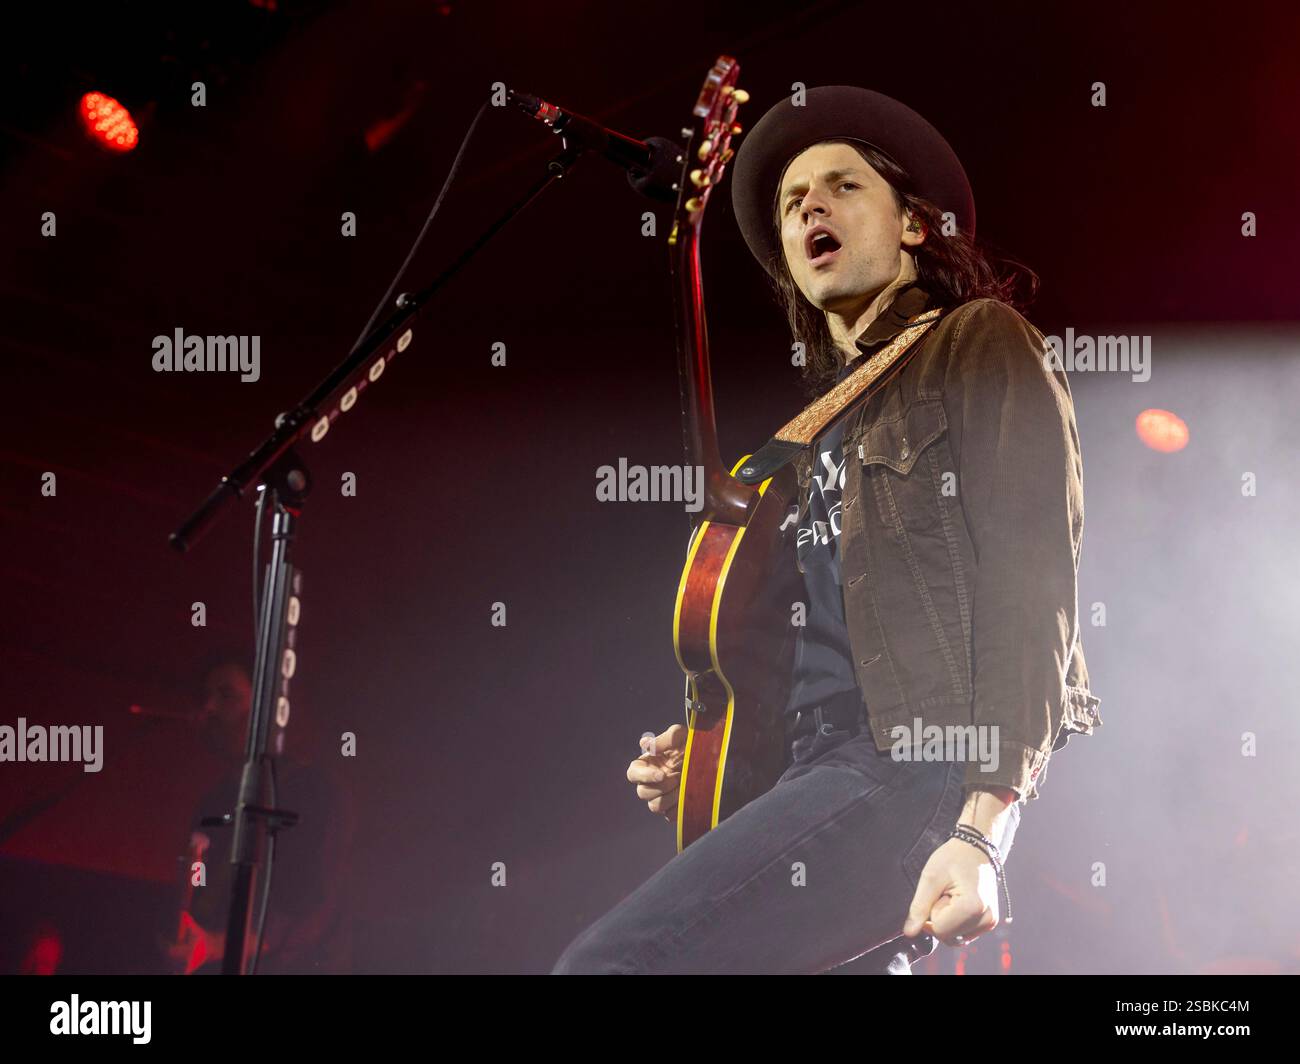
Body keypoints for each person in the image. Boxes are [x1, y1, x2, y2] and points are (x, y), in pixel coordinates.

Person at [553, 86, 1102, 974]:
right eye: (790, 201)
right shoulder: (812, 436)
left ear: (917, 226)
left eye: (842, 186)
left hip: (908, 768)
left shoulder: (978, 342)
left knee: (613, 966)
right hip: (818, 773)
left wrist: (984, 825)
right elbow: (812, 651)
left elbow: (1033, 589)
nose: (808, 204)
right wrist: (703, 754)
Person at [163, 658, 354, 974]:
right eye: (206, 696)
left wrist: (212, 944)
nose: (209, 707)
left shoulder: (311, 789)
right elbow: (202, 889)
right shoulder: (214, 802)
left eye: (227, 695)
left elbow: (306, 914)